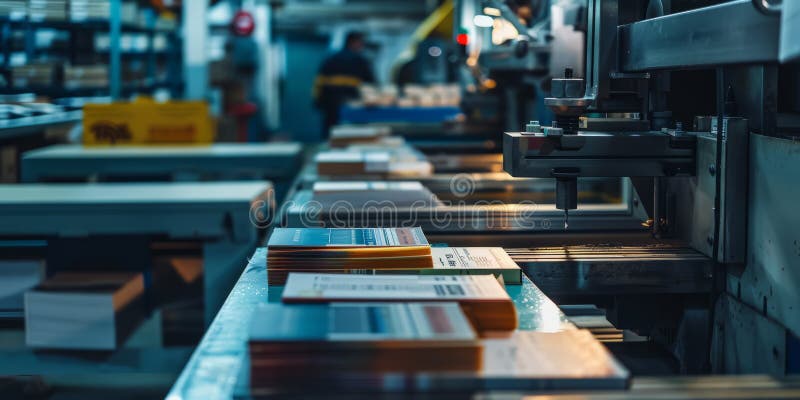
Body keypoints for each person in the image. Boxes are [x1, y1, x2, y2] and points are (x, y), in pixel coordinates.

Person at [313, 31, 375, 138]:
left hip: (330, 101)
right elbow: (370, 84)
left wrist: (318, 101)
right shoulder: (360, 60)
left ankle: (329, 150)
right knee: (355, 133)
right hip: (353, 101)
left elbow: (318, 83)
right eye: (360, 43)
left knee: (331, 131)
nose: (362, 46)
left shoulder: (331, 59)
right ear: (353, 42)